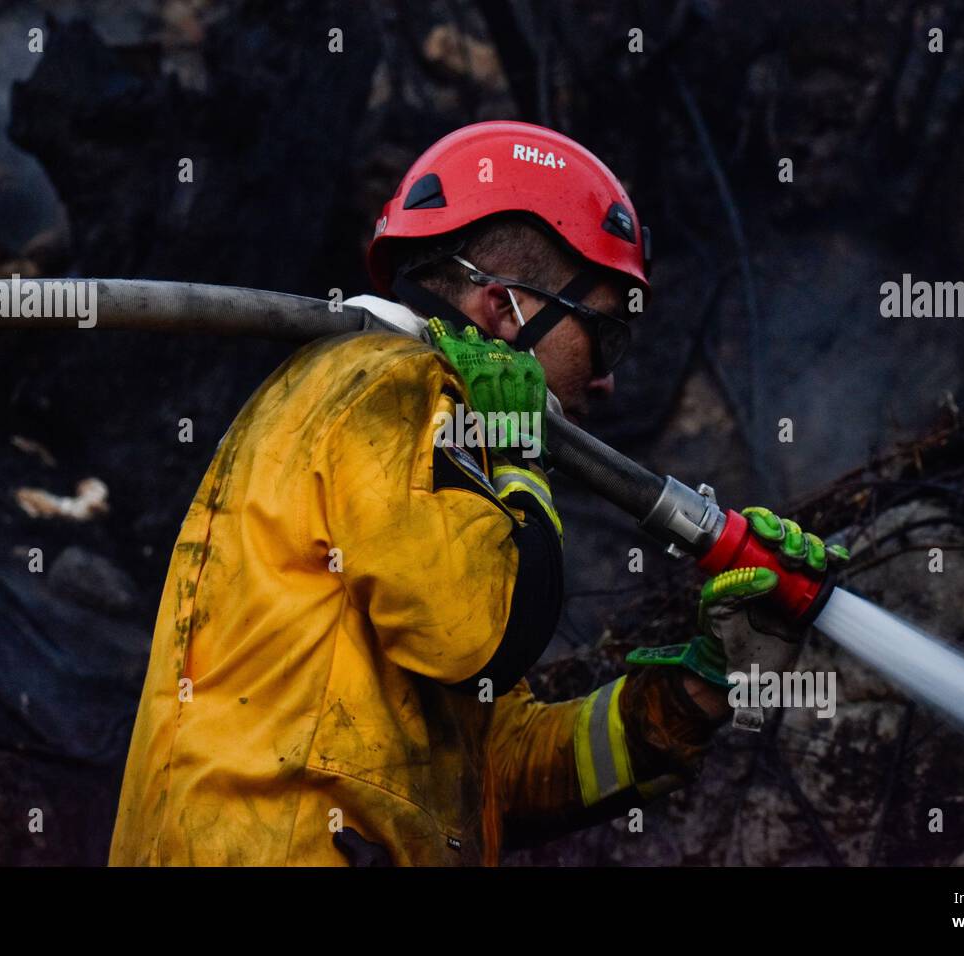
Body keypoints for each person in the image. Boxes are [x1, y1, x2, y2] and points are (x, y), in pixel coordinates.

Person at [108, 120, 846, 866]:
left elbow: (493, 768)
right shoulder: (392, 384)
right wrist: (523, 454)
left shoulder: (422, 456)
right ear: (504, 309)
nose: (609, 378)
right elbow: (478, 638)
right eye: (605, 336)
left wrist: (699, 691)